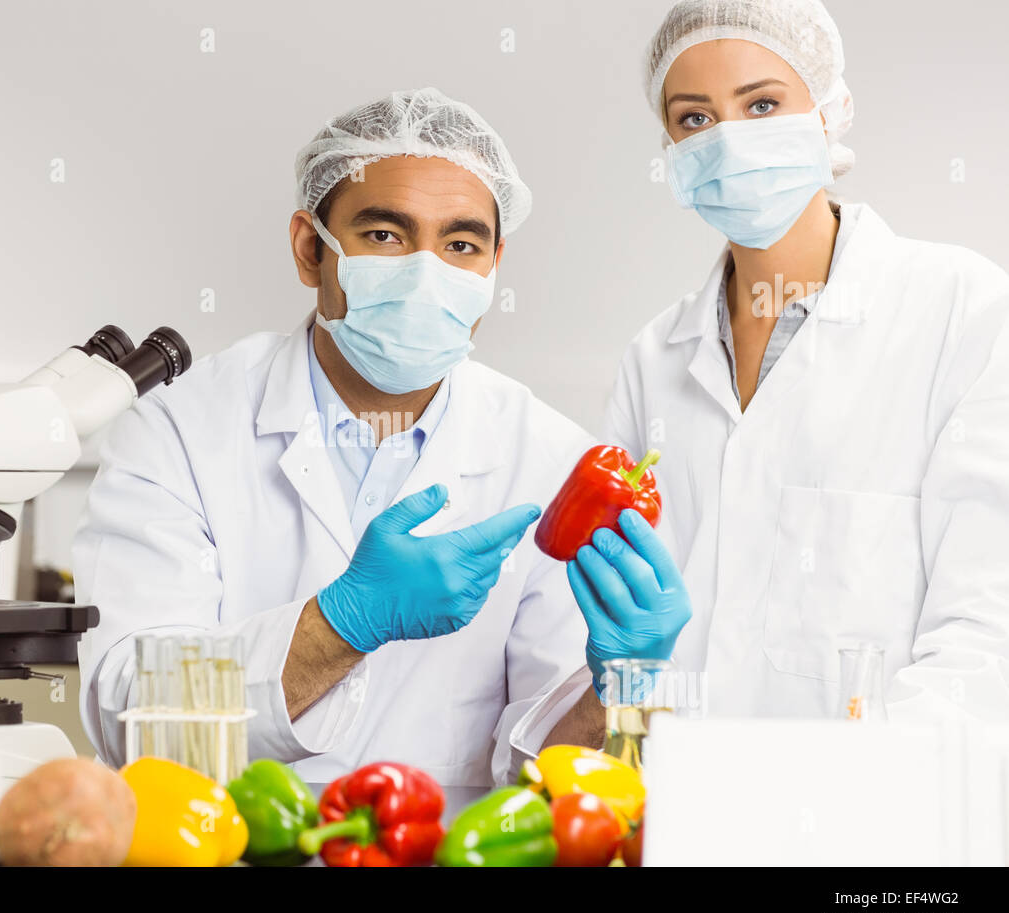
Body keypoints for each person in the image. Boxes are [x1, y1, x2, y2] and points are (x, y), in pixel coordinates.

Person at [73, 88, 689, 785]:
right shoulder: (180, 432)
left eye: (461, 244)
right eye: (386, 235)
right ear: (311, 248)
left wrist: (615, 688)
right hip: (221, 843)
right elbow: (132, 718)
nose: (428, 272)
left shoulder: (549, 459)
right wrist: (342, 624)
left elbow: (545, 777)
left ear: (493, 266)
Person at [533, 0, 1009, 741]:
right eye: (695, 119)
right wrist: (619, 675)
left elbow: (986, 639)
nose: (730, 142)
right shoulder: (655, 358)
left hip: (877, 822)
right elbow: (608, 643)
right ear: (669, 145)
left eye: (762, 104)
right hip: (681, 811)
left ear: (828, 110)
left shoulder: (964, 310)